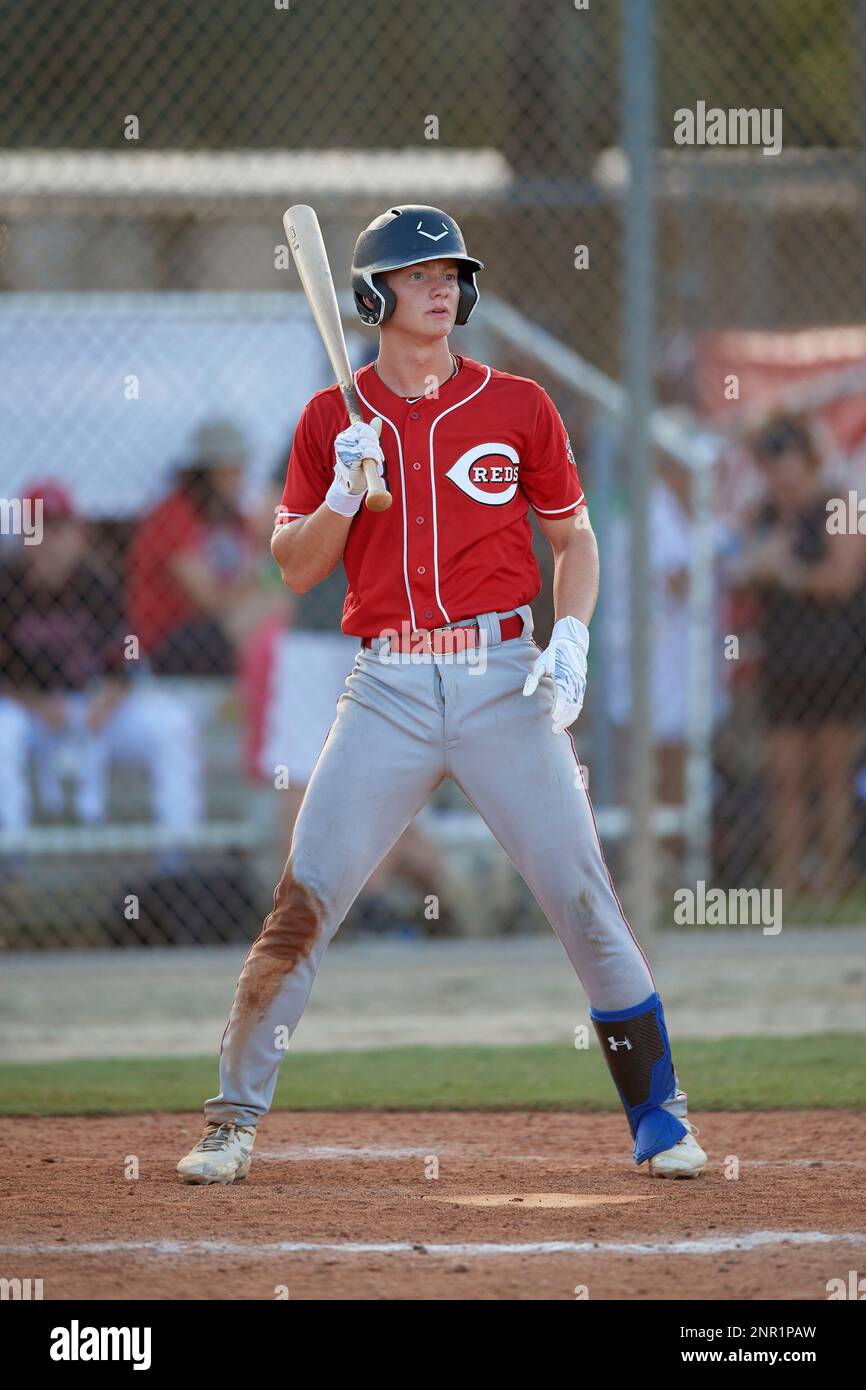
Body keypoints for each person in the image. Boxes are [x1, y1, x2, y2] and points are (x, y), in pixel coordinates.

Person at [177, 204, 706, 1185]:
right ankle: (232, 1119)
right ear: (373, 295)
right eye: (418, 274)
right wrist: (340, 494)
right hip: (385, 685)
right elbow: (291, 570)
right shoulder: (330, 420)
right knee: (305, 898)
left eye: (450, 273)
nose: (441, 287)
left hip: (504, 677)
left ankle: (659, 1118)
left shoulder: (518, 404)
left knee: (583, 899)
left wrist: (573, 635)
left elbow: (573, 539)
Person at [0, 481, 203, 846]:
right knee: (3, 733)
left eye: (61, 528)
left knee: (173, 725)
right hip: (25, 711)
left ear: (78, 535)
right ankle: (12, 858)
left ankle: (179, 860)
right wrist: (35, 704)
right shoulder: (6, 586)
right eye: (40, 528)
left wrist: (108, 700)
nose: (52, 541)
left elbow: (128, 655)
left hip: (92, 708)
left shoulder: (98, 584)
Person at [733, 416, 866, 899]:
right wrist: (756, 564)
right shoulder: (762, 513)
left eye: (784, 456)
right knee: (784, 778)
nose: (776, 470)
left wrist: (784, 571)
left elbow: (842, 579)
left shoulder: (839, 504)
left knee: (832, 777)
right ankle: (787, 886)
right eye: (768, 461)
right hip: (784, 659)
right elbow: (740, 567)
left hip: (836, 658)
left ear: (806, 456)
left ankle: (833, 882)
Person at [128, 421, 283, 675]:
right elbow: (210, 600)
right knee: (275, 602)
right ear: (209, 474)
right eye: (232, 471)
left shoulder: (234, 519)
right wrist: (258, 571)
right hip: (171, 642)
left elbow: (265, 572)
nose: (240, 480)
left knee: (281, 598)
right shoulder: (173, 516)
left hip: (219, 632)